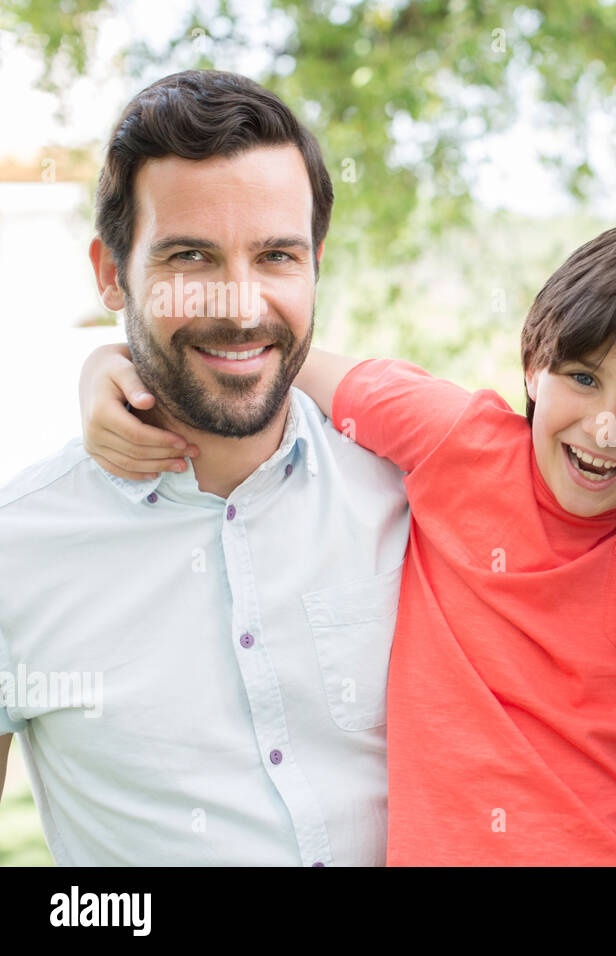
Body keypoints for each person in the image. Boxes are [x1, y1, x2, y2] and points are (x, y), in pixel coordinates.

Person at [84, 221, 616, 864]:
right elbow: (273, 361)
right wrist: (112, 364)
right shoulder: (456, 443)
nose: (605, 427)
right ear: (533, 368)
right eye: (582, 379)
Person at [0, 71, 409, 865]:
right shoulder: (18, 550)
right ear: (112, 273)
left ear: (315, 262)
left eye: (277, 255)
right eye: (191, 256)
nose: (243, 306)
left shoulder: (411, 493)